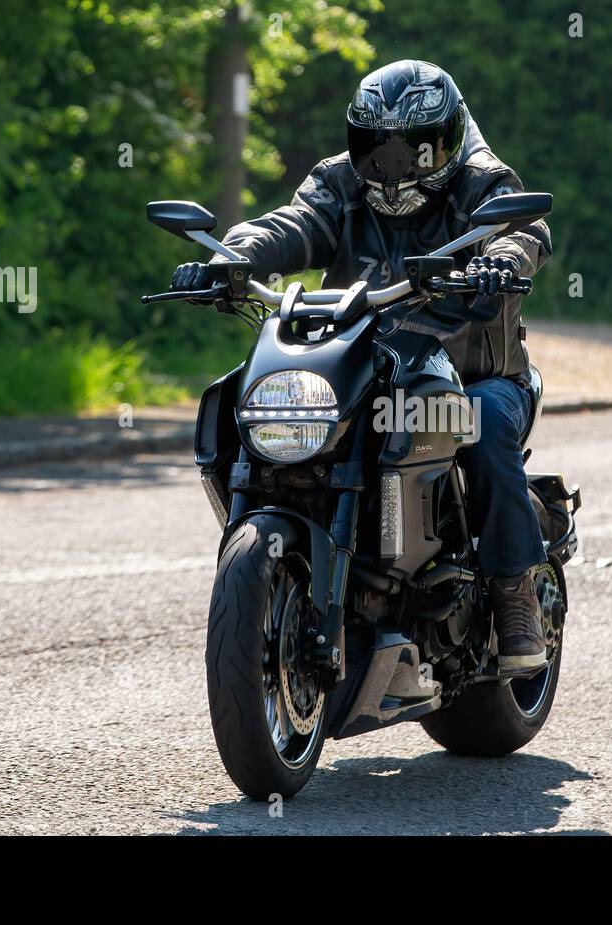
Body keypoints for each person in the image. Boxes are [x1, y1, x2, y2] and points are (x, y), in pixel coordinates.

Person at [170, 59, 552, 669]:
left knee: (477, 426)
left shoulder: (483, 183)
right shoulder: (341, 184)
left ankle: (514, 596)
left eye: (415, 152)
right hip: (365, 364)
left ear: (448, 142)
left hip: (477, 373)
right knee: (246, 397)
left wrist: (501, 260)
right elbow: (295, 223)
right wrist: (234, 258)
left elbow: (520, 229)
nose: (393, 168)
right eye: (377, 150)